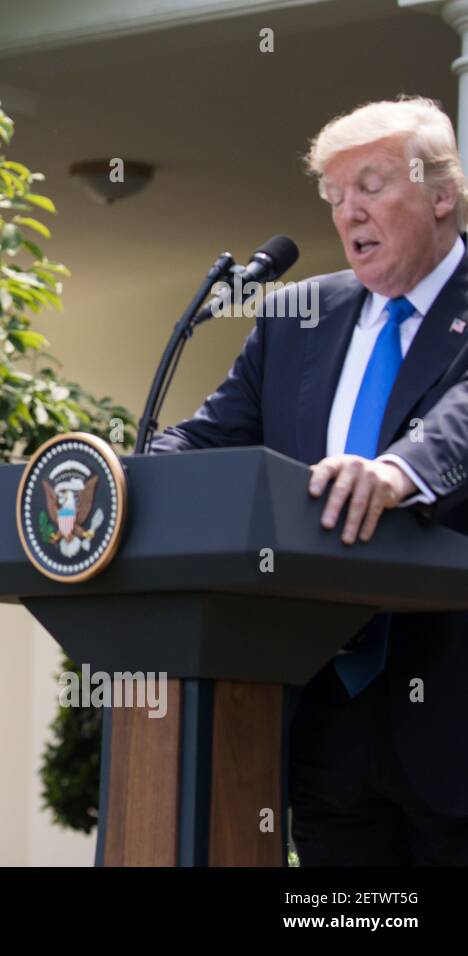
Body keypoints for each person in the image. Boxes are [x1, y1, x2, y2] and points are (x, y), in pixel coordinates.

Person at [151, 96, 468, 864]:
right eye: (333, 196)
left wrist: (400, 470)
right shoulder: (299, 315)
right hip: (322, 706)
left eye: (370, 184)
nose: (347, 211)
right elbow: (210, 434)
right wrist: (121, 476)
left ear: (443, 194)